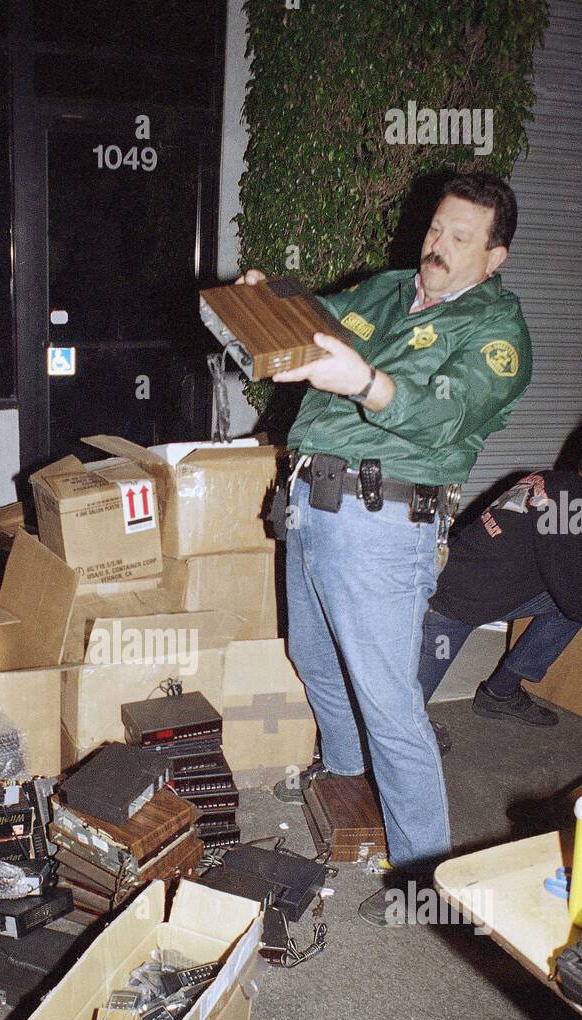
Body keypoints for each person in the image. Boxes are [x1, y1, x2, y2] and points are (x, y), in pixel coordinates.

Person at [242, 171, 533, 925]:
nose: (439, 245)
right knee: (313, 657)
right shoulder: (385, 289)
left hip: (382, 520)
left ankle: (423, 879)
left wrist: (365, 381)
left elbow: (441, 414)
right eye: (438, 228)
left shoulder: (498, 335)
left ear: (494, 257)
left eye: (461, 238)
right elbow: (306, 320)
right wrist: (265, 301)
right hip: (309, 501)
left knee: (389, 702)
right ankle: (342, 777)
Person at [418, 465, 582, 717]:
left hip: (459, 577)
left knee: (566, 605)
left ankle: (501, 692)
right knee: (405, 712)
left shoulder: (554, 481)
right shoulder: (568, 501)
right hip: (453, 607)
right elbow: (570, 592)